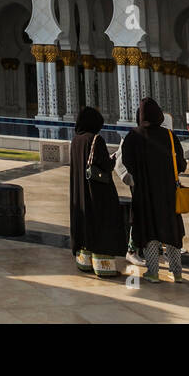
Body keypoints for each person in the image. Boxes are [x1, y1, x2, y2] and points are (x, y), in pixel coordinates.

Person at [119, 97, 187, 284]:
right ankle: (177, 272)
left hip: (145, 192)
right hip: (168, 192)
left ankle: (153, 272)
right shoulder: (170, 136)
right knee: (171, 231)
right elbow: (181, 164)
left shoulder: (134, 136)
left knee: (149, 231)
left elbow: (127, 163)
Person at [69, 106, 126, 278]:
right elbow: (105, 166)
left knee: (85, 223)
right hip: (97, 192)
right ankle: (104, 266)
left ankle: (84, 262)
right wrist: (114, 158)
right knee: (101, 223)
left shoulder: (76, 140)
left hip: (80, 191)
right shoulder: (95, 139)